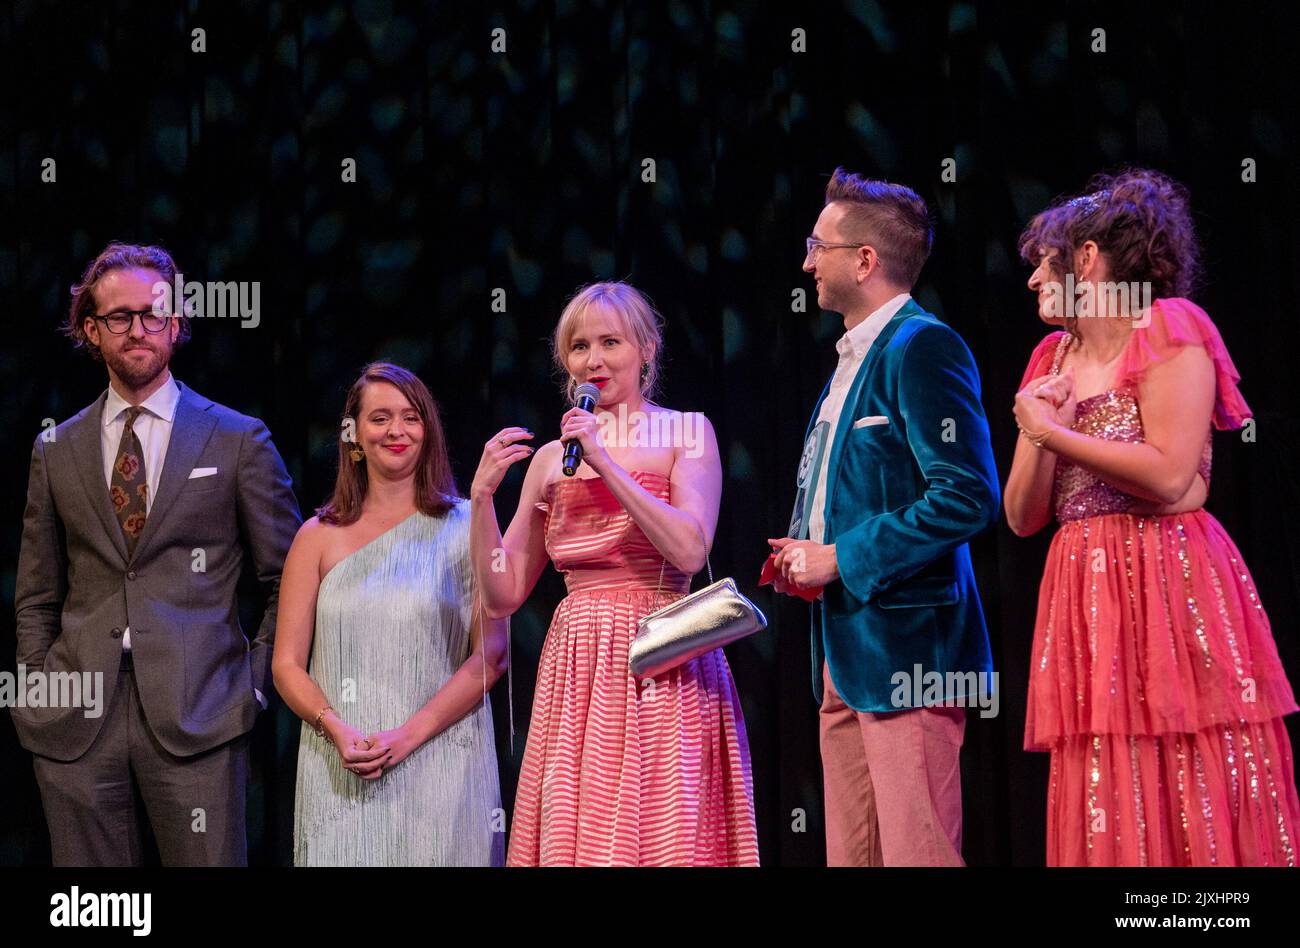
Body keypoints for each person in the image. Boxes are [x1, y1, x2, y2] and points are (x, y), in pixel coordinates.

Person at [1005, 167, 1300, 865]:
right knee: (1113, 772)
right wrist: (1040, 425)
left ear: (1085, 258)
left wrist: (1054, 434)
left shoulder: (1168, 325)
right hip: (1084, 587)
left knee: (1189, 755)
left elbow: (1171, 476)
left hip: (1170, 574)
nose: (1030, 282)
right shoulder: (1052, 356)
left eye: (1043, 264)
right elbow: (1021, 515)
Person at [14, 241, 301, 865]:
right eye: (119, 317)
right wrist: (37, 683)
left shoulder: (238, 438)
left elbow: (291, 579)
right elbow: (36, 593)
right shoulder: (55, 449)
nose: (137, 328)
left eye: (154, 313)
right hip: (76, 716)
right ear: (92, 329)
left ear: (177, 322)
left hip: (201, 711)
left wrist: (250, 684)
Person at [470, 281, 759, 866]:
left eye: (610, 342)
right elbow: (501, 594)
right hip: (577, 661)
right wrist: (480, 500)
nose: (593, 360)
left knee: (664, 832)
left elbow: (688, 550)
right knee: (585, 833)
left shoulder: (686, 431)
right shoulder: (552, 459)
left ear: (646, 348)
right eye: (579, 347)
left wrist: (603, 460)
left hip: (663, 648)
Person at [766, 169, 1000, 866]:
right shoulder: (852, 356)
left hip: (911, 652)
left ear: (864, 260)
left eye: (818, 246)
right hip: (844, 647)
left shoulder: (923, 347)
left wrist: (841, 557)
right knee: (856, 855)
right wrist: (805, 551)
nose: (807, 261)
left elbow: (966, 494)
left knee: (915, 852)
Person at [273, 362, 507, 866]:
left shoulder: (468, 524)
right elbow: (287, 663)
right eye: (380, 418)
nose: (396, 431)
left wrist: (408, 735)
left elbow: (491, 653)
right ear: (353, 434)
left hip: (445, 765)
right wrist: (333, 727)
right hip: (341, 765)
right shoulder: (316, 536)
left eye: (410, 417)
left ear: (428, 431)